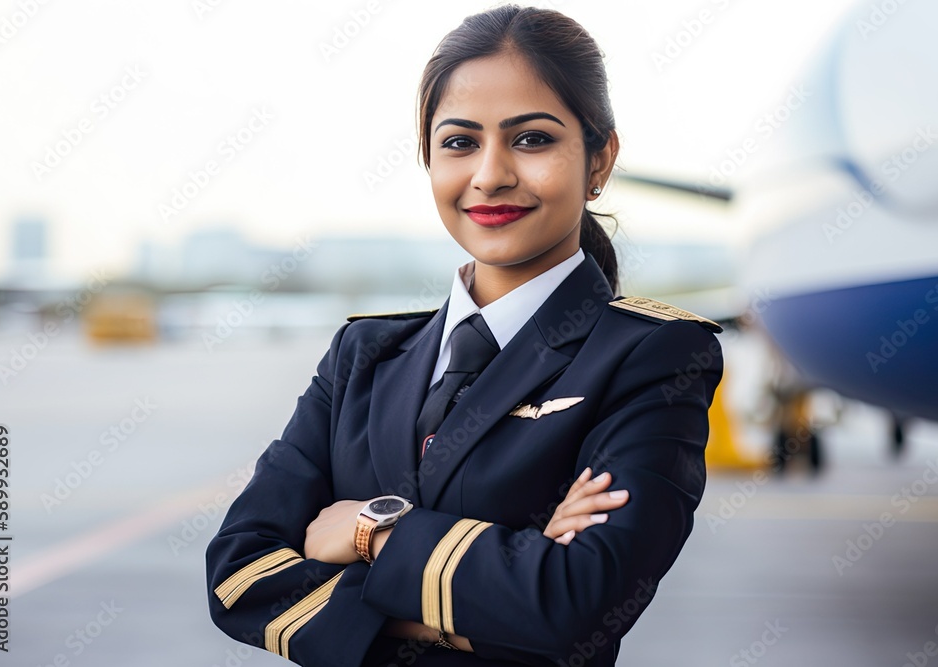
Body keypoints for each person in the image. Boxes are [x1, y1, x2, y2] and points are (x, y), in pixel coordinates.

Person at [205, 5, 724, 666]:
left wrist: (374, 531)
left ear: (600, 160)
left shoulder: (651, 355)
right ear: (428, 159)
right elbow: (238, 574)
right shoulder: (362, 357)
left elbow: (577, 603)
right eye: (459, 142)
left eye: (532, 139)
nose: (490, 174)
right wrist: (482, 607)